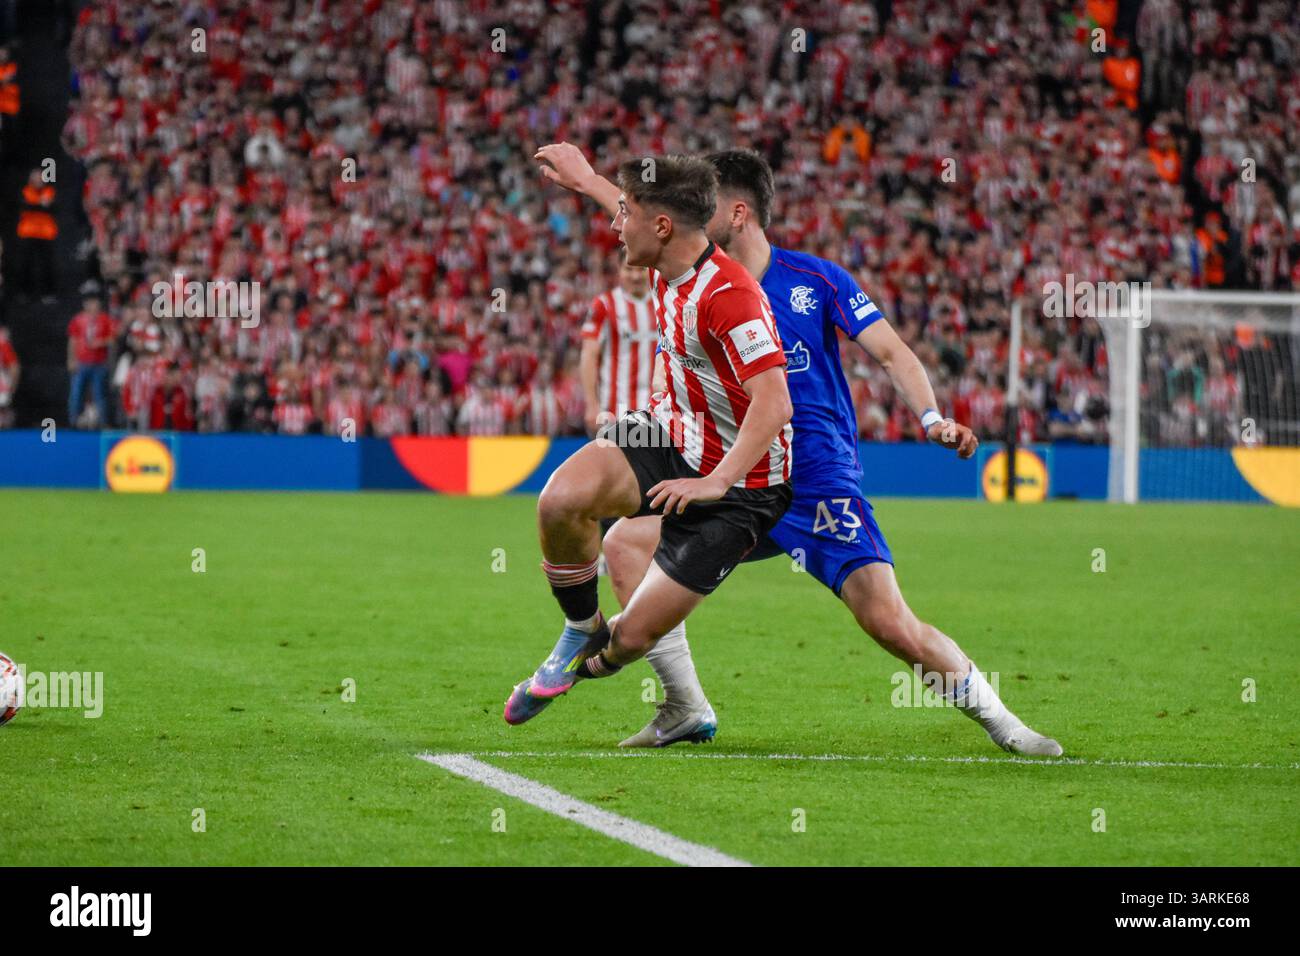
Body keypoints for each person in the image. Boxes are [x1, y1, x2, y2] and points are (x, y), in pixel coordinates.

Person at [542, 144, 1062, 755]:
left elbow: (891, 352)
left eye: (706, 202)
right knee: (625, 544)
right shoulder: (689, 270)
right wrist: (588, 181)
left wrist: (932, 418)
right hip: (728, 471)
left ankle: (1007, 725)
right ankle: (684, 707)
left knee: (888, 622)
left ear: (737, 213)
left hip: (814, 482)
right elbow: (645, 215)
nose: (691, 210)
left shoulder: (815, 281)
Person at [503, 151, 794, 726]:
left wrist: (716, 482)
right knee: (561, 501)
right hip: (669, 432)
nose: (616, 225)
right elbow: (631, 207)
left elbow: (775, 402)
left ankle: (607, 667)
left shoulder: (729, 295)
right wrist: (586, 180)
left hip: (743, 485)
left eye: (625, 214)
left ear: (660, 227)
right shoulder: (665, 252)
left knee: (630, 641)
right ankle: (579, 626)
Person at [67, 295, 113, 427]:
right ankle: (73, 422)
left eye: (95, 303)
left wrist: (100, 342)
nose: (92, 306)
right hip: (81, 362)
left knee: (99, 395)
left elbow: (112, 339)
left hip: (99, 363)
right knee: (76, 394)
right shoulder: (78, 320)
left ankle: (103, 423)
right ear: (85, 305)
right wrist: (71, 359)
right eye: (90, 303)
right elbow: (72, 340)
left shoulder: (105, 319)